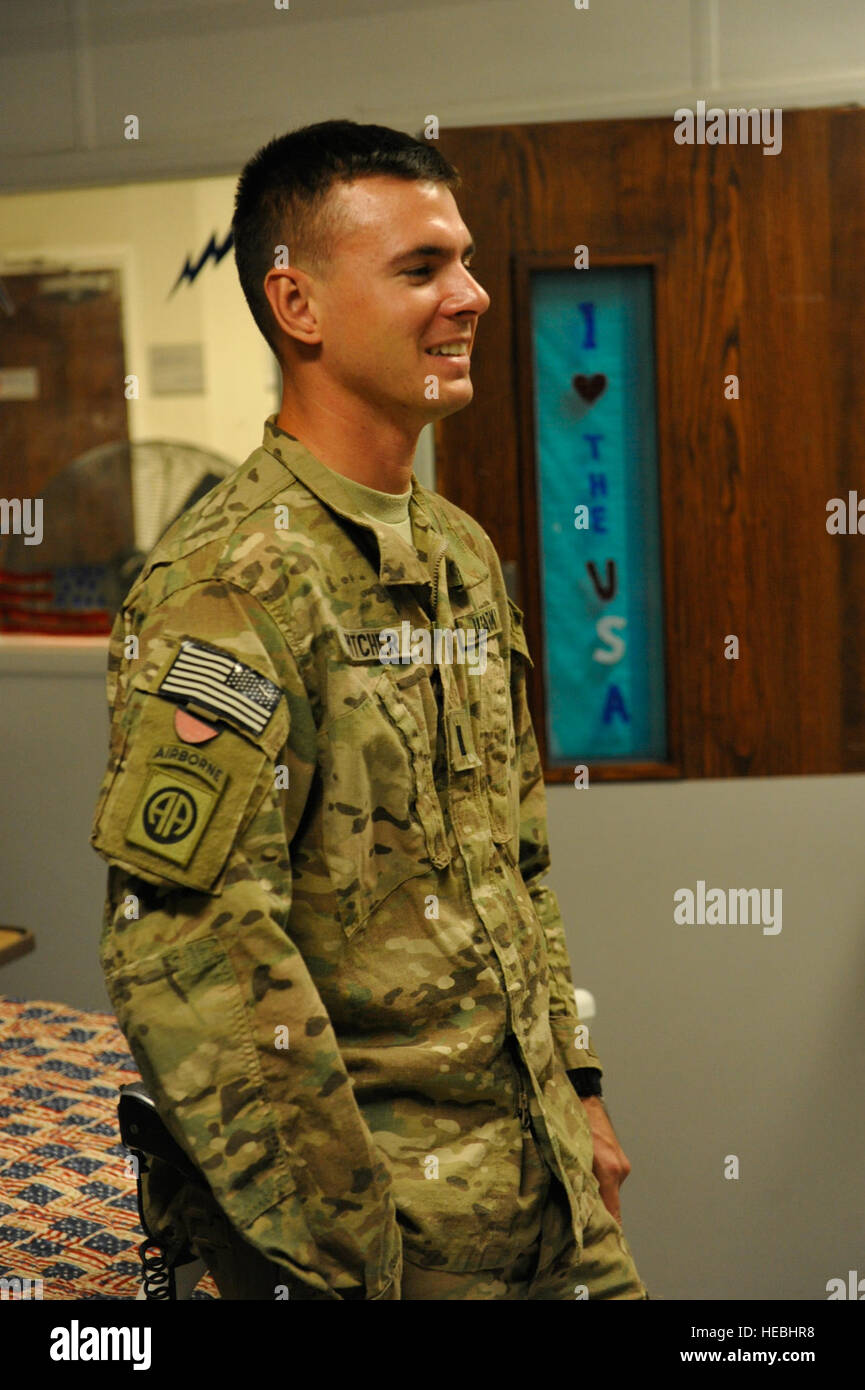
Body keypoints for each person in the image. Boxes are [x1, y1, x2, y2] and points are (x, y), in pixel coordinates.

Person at [91, 119, 648, 1301]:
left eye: (465, 259)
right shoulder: (230, 587)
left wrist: (579, 1090)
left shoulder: (458, 553)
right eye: (420, 269)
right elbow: (192, 954)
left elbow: (518, 864)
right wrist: (340, 1258)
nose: (473, 295)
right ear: (297, 305)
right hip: (386, 1241)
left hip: (546, 1194)